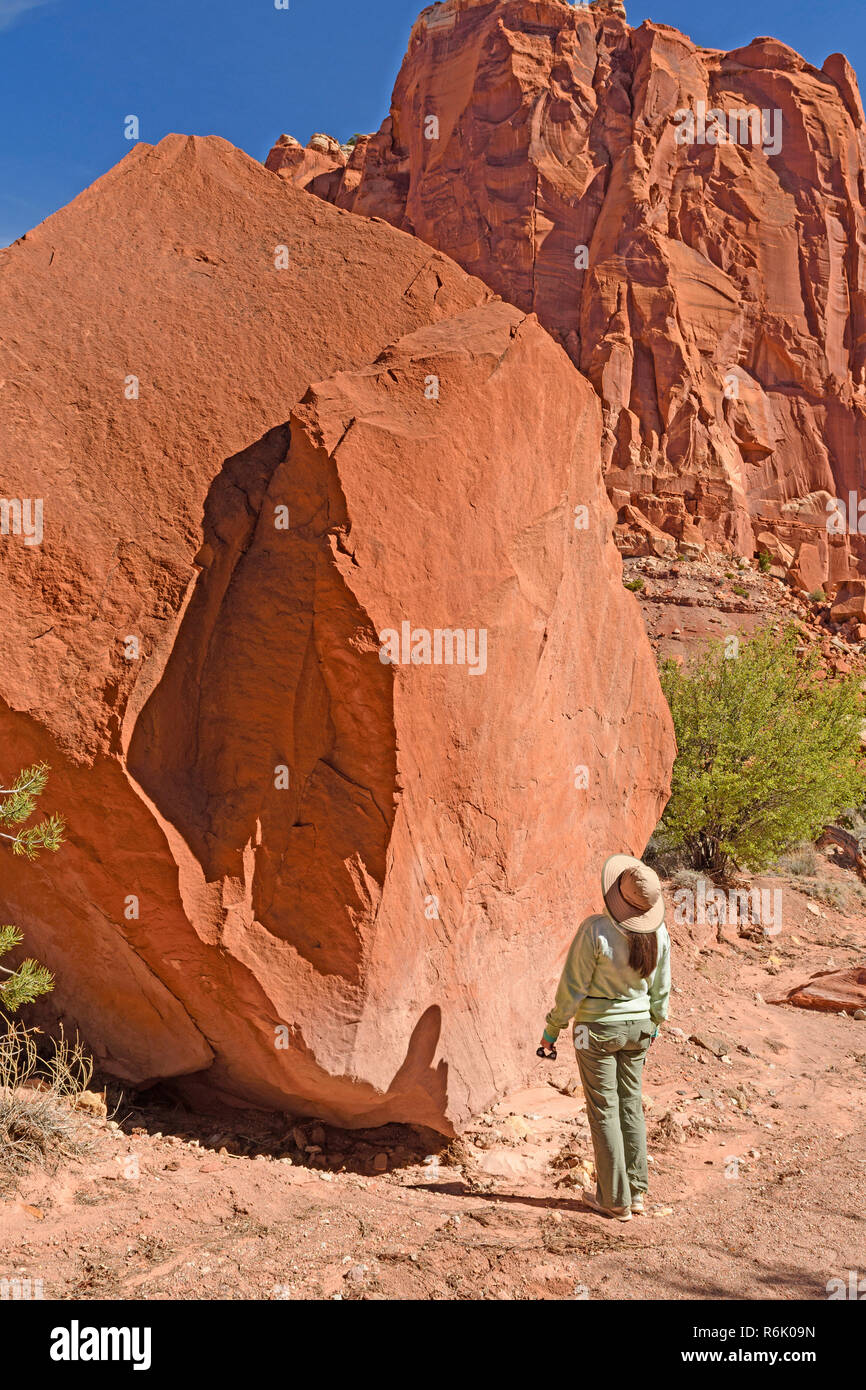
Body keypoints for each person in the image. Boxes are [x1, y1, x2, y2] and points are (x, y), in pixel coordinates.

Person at [539, 854, 671, 1222]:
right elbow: (662, 989)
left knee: (604, 1110)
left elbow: (572, 989)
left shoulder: (595, 930)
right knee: (631, 1106)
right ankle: (638, 1192)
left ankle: (614, 1199)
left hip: (595, 1030)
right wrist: (655, 1023)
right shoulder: (658, 933)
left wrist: (552, 1030)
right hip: (640, 1028)